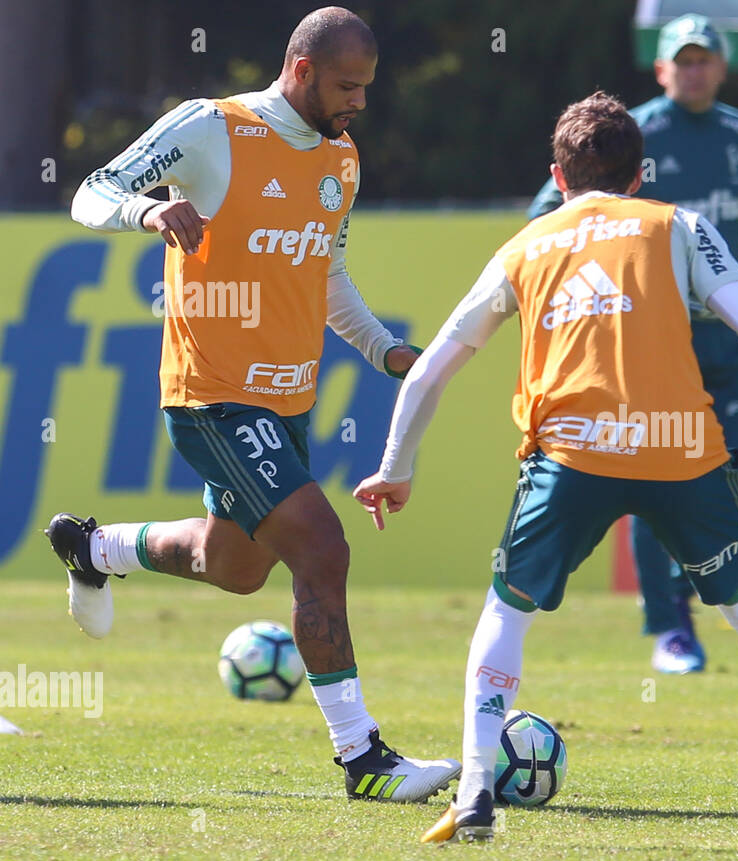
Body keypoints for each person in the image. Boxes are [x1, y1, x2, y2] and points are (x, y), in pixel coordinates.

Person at [353, 92, 738, 845]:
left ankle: (473, 794)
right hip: (681, 451)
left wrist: (395, 466)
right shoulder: (678, 225)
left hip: (572, 456)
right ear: (639, 176)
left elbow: (432, 368)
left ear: (556, 177)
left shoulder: (527, 245)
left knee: (507, 612)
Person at [55, 6, 459, 802]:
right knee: (323, 546)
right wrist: (147, 209)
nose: (361, 103)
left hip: (287, 403)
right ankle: (362, 760)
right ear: (301, 69)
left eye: (368, 88)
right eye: (348, 85)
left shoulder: (342, 158)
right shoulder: (212, 128)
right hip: (212, 397)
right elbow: (90, 192)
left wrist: (387, 351)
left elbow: (326, 274)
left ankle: (94, 550)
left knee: (233, 566)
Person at [527, 14, 738, 676]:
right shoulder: (633, 134)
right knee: (653, 471)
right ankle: (669, 624)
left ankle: (689, 593)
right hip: (656, 342)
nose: (694, 70)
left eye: (705, 60)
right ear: (662, 69)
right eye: (683, 60)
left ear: (721, 68)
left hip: (725, 339)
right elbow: (546, 214)